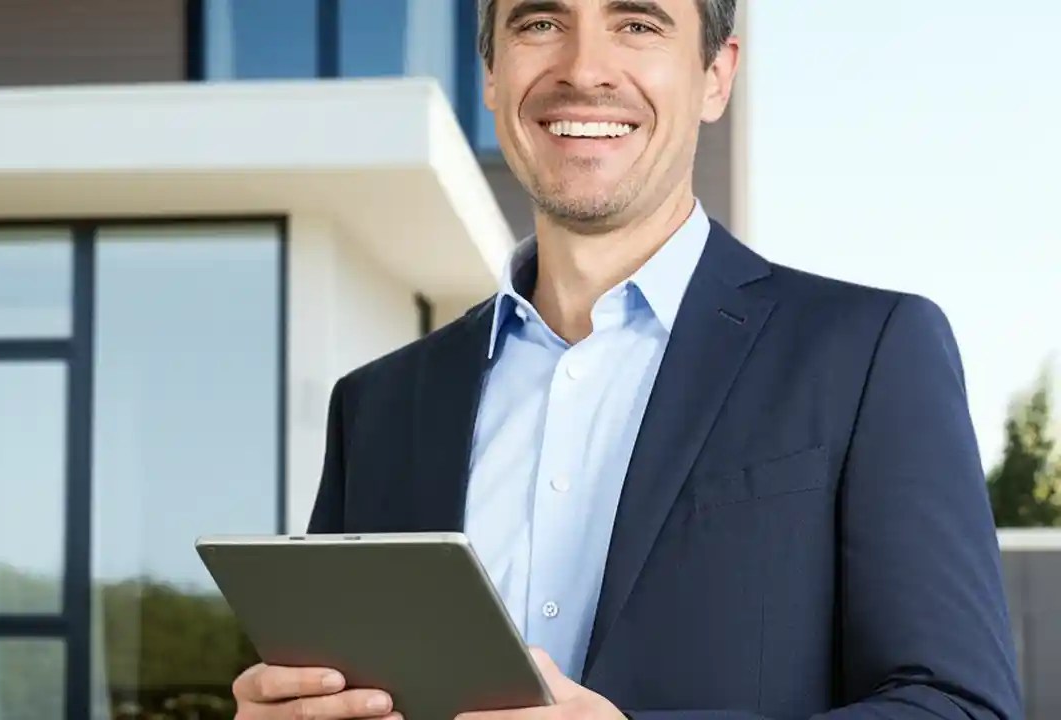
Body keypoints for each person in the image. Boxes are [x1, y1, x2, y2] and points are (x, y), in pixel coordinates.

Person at [231, 0, 1024, 718]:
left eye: (637, 24)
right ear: (491, 76)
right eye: (540, 23)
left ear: (717, 77)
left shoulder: (869, 354)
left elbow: (957, 707)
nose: (582, 68)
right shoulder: (378, 405)